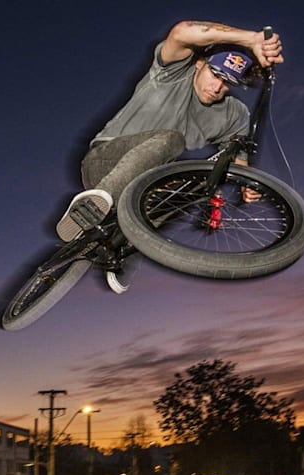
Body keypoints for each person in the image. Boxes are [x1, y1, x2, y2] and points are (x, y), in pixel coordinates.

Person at [54, 20, 285, 293]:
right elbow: (182, 31)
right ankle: (92, 204)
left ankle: (129, 250)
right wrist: (250, 39)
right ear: (199, 63)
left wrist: (247, 182)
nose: (217, 87)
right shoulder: (173, 73)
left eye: (227, 83)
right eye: (215, 74)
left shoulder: (233, 113)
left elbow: (239, 153)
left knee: (197, 184)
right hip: (105, 161)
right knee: (171, 140)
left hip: (145, 182)